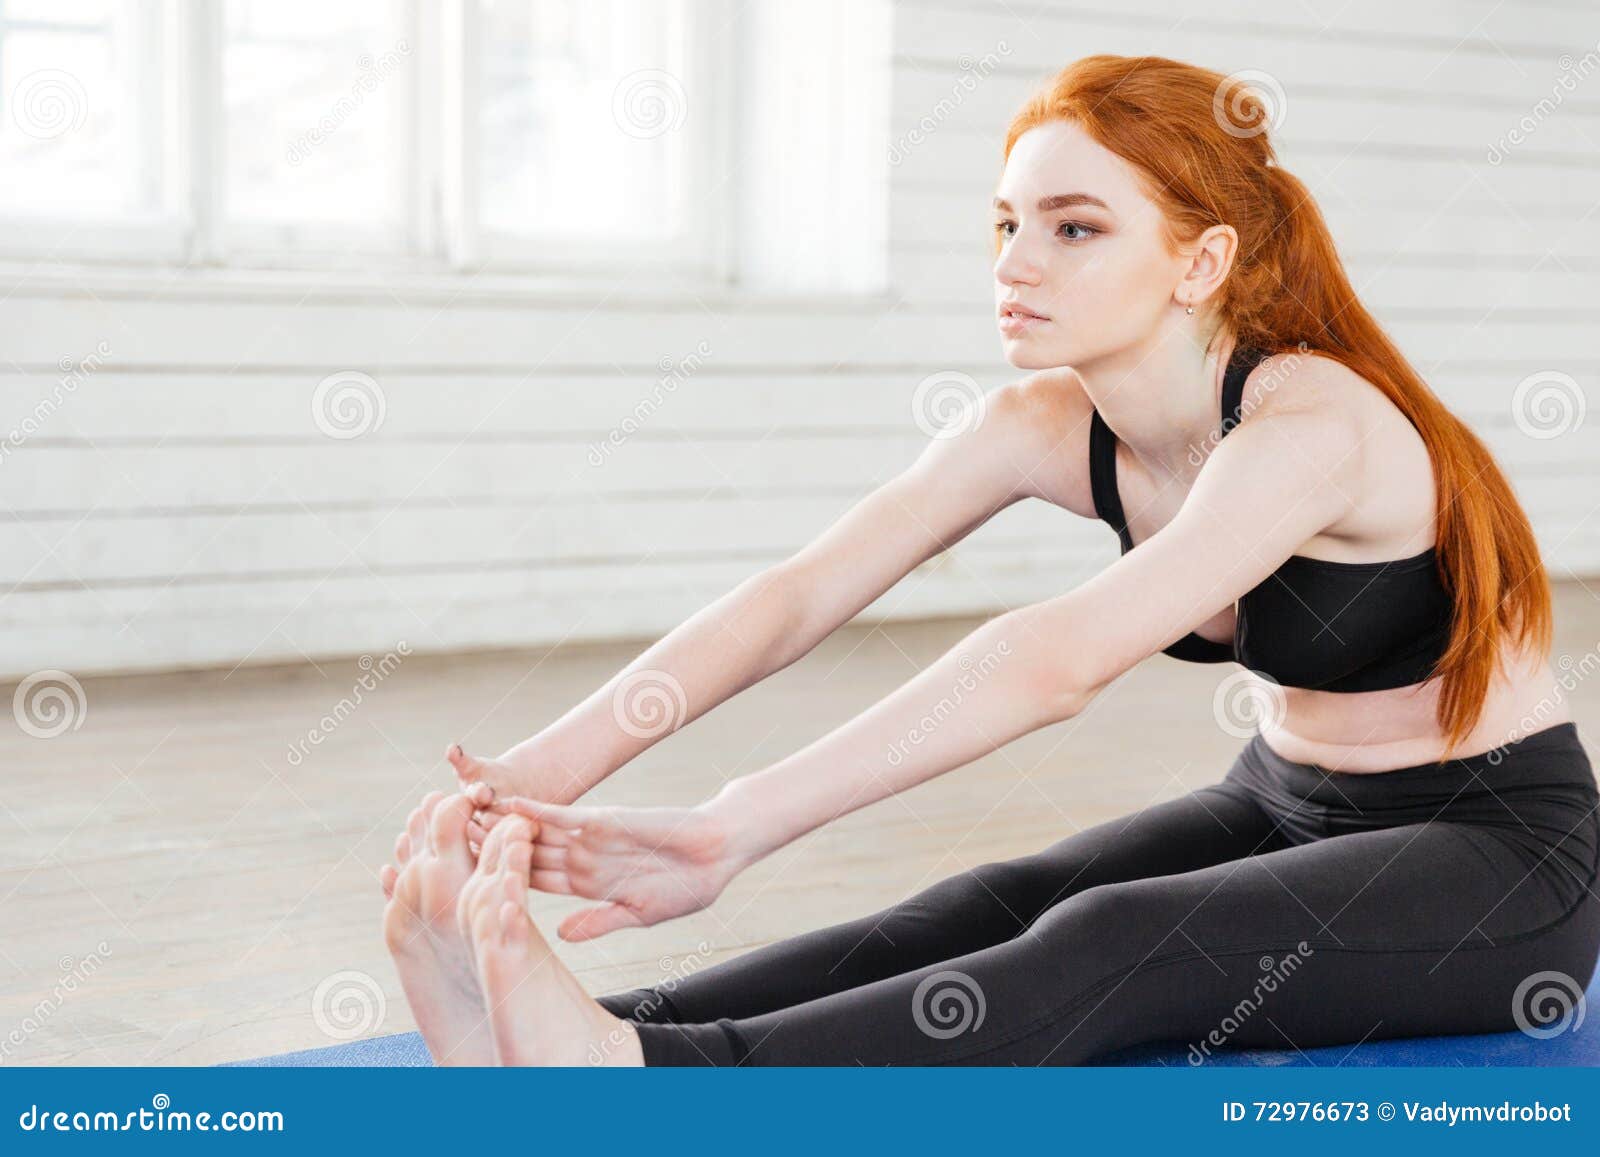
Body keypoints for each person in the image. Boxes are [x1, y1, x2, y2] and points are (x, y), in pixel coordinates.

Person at [378, 54, 1600, 1067]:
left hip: (1497, 852)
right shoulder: (1038, 427)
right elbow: (797, 595)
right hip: (1277, 802)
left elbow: (1053, 659)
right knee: (981, 905)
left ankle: (642, 1078)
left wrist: (728, 824)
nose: (1016, 261)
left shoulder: (1310, 427)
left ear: (1200, 261)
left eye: (1075, 227)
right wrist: (540, 771)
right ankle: (562, 1036)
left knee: (1117, 934)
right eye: (1007, 222)